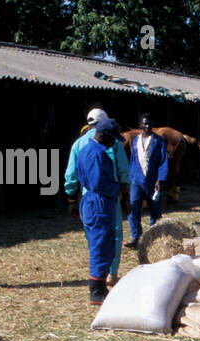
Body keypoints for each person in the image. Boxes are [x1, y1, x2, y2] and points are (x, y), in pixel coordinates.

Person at [64, 107, 130, 284]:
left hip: (87, 197)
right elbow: (123, 169)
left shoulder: (79, 144)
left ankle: (98, 272)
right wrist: (124, 194)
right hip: (106, 195)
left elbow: (70, 174)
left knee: (93, 236)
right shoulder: (111, 142)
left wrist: (71, 197)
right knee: (113, 234)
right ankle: (110, 273)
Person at [76, 118, 126, 305]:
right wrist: (117, 188)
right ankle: (96, 291)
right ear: (103, 135)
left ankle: (100, 285)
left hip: (95, 201)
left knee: (103, 242)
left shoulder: (88, 150)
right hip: (98, 202)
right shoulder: (96, 154)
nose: (114, 142)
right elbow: (98, 184)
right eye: (112, 138)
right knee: (100, 244)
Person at [124, 112, 169, 248]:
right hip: (136, 179)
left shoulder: (158, 141)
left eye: (150, 124)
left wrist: (160, 179)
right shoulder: (136, 140)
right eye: (145, 123)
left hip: (152, 180)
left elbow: (163, 161)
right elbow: (133, 161)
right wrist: (129, 179)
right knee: (133, 207)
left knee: (154, 209)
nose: (148, 126)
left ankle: (153, 237)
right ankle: (136, 237)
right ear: (140, 125)